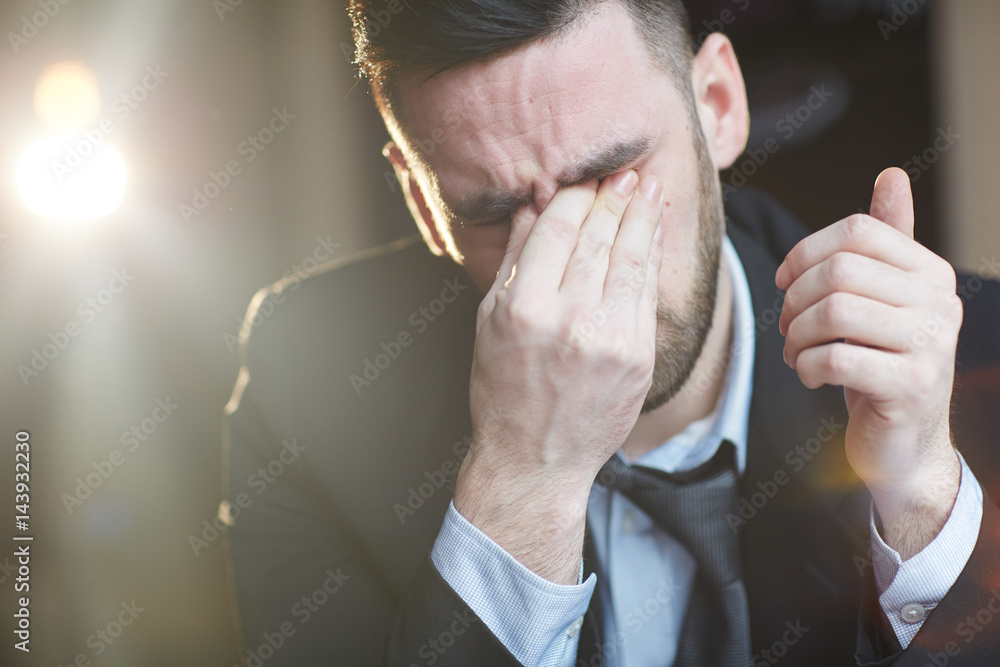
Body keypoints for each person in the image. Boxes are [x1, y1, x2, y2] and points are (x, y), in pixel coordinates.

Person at [221, 1, 1000, 665]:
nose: (567, 255)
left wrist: (923, 506)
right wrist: (522, 482)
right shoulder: (309, 382)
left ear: (718, 105)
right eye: (494, 211)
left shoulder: (981, 356)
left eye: (609, 174)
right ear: (426, 204)